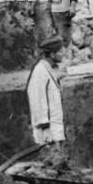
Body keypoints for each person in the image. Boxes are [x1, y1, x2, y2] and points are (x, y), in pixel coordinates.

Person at [26, 35, 67, 168]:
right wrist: (46, 129)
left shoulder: (47, 68)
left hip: (55, 128)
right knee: (51, 165)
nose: (63, 54)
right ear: (52, 54)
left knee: (57, 163)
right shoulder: (40, 72)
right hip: (48, 130)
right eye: (60, 52)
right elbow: (37, 101)